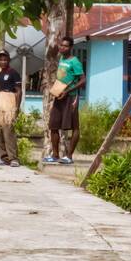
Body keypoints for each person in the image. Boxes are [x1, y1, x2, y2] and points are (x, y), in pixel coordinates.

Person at [45, 36, 86, 166]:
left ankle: (69, 156)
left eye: (66, 46)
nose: (62, 48)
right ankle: (55, 155)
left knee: (74, 127)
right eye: (61, 45)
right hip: (59, 96)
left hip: (71, 97)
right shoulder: (62, 58)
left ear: (71, 47)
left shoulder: (75, 62)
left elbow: (83, 80)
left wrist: (67, 91)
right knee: (53, 125)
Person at [0, 50, 22, 167]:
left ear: (9, 60)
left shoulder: (13, 73)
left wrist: (17, 108)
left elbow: (19, 91)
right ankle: (4, 157)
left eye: (5, 59)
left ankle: (13, 158)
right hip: (0, 102)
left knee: (8, 131)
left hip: (10, 101)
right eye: (0, 60)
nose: (2, 62)